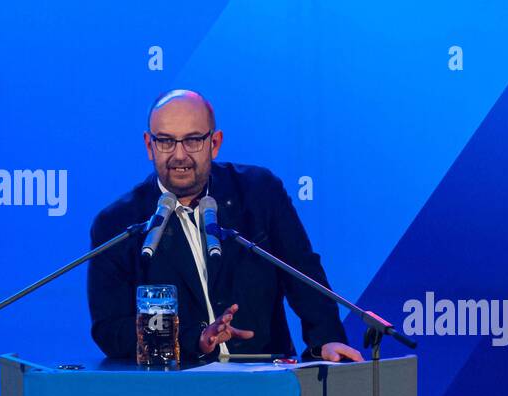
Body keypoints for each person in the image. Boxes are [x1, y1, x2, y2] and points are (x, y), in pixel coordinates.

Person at [87, 89, 363, 364]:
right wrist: (194, 339)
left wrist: (326, 339)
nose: (179, 155)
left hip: (264, 379)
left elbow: (303, 275)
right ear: (149, 146)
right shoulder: (118, 224)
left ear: (214, 143)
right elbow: (110, 328)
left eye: (193, 140)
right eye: (166, 142)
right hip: (174, 387)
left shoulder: (259, 192)